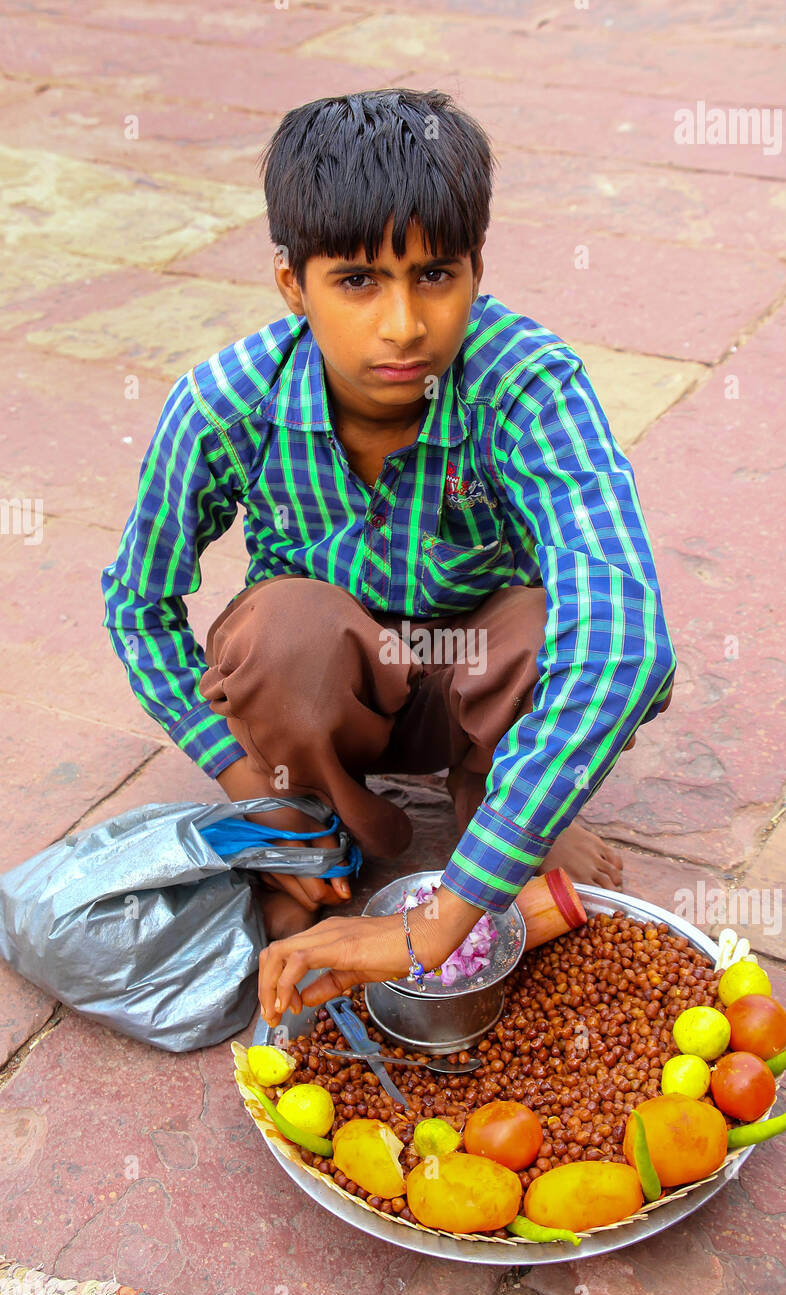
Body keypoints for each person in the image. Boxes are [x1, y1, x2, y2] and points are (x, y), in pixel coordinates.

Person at [101, 89, 675, 1031]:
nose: (404, 326)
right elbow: (138, 604)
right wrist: (241, 775)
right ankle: (316, 820)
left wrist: (440, 922)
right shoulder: (221, 405)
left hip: (473, 687)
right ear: (293, 284)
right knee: (281, 634)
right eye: (359, 281)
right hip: (334, 689)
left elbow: (625, 644)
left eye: (435, 276)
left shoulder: (528, 383)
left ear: (477, 272)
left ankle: (502, 807)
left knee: (552, 631)